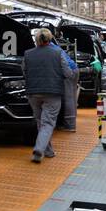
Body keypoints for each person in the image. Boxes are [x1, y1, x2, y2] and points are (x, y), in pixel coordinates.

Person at [22, 28, 76, 163]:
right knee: (48, 123)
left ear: (36, 39)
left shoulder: (28, 53)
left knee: (41, 122)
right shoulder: (58, 53)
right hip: (53, 93)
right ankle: (39, 149)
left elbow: (24, 71)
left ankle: (48, 151)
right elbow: (68, 73)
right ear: (50, 39)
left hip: (33, 93)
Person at [55, 40, 79, 130]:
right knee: (71, 98)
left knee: (68, 98)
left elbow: (64, 64)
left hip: (69, 70)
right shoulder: (54, 46)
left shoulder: (52, 49)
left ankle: (70, 125)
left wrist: (69, 75)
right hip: (74, 68)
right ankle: (72, 121)